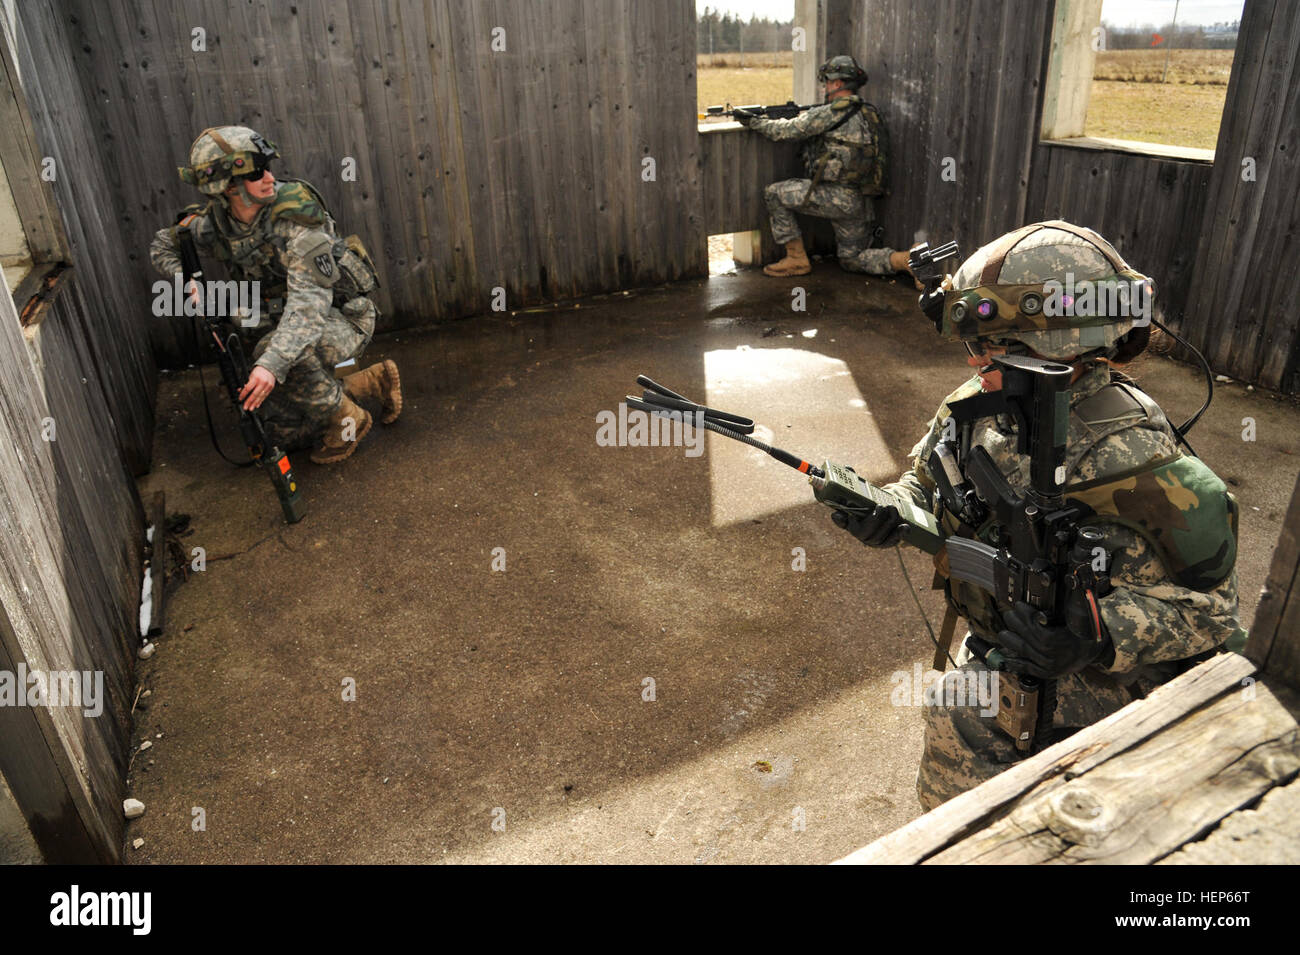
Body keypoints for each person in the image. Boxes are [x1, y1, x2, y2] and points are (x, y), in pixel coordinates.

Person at [830, 220, 1245, 810]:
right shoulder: (977, 408)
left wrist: (1096, 637)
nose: (977, 363)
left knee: (968, 722)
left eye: (996, 347)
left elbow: (1212, 614)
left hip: (1121, 680)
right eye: (972, 346)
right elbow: (925, 483)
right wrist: (890, 512)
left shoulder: (1138, 460)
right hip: (1014, 644)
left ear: (1066, 344)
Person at [150, 126, 401, 464]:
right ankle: (369, 382)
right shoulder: (215, 224)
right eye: (256, 172)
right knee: (275, 429)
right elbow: (164, 244)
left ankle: (348, 418)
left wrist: (270, 365)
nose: (269, 177)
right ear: (228, 187)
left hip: (342, 316)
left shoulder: (298, 220)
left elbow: (308, 308)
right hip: (279, 320)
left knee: (274, 354)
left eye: (267, 167)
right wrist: (186, 280)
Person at [734, 54, 913, 281]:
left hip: (835, 198)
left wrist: (753, 121)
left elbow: (785, 131)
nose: (824, 87)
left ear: (837, 83)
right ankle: (905, 260)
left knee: (774, 194)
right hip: (861, 201)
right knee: (853, 259)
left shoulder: (831, 113)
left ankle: (796, 258)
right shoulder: (869, 113)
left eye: (826, 82)